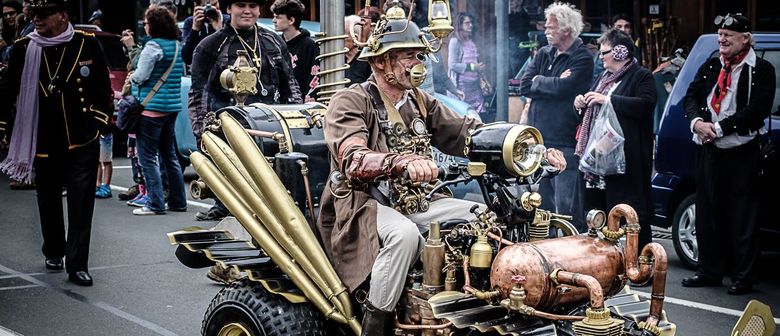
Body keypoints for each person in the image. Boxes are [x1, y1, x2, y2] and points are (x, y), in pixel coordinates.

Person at [316, 6, 566, 334]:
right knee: (403, 237)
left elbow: (469, 133)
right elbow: (353, 159)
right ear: (380, 62)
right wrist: (400, 162)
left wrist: (528, 150)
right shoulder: (350, 101)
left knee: (486, 218)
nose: (417, 64)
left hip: (420, 199)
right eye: (407, 56)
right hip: (366, 204)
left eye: (419, 56)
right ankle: (375, 324)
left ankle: (473, 302)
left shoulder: (419, 101)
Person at [0, 0, 113, 286]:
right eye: (34, 15)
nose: (36, 20)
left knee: (81, 202)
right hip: (43, 137)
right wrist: (4, 128)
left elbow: (102, 87)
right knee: (48, 198)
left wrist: (99, 122)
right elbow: (7, 90)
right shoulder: (25, 48)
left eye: (44, 15)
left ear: (63, 15)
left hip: (81, 138)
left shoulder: (87, 43)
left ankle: (77, 265)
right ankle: (53, 249)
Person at [680, 14, 776, 296]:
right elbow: (691, 97)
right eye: (720, 35)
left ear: (745, 38)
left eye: (728, 36)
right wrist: (697, 122)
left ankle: (743, 276)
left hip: (741, 151)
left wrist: (719, 128)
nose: (722, 40)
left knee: (742, 216)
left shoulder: (761, 70)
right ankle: (709, 270)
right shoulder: (713, 65)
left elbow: (757, 110)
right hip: (710, 150)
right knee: (708, 212)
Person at [189, 0, 302, 222]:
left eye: (253, 5)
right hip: (226, 130)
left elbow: (290, 85)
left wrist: (294, 121)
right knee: (232, 197)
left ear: (260, 10)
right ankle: (223, 207)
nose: (248, 11)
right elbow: (197, 93)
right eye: (241, 5)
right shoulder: (210, 45)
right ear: (228, 9)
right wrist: (202, 132)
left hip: (268, 129)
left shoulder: (273, 41)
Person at [574, 29, 657, 250]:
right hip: (599, 160)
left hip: (626, 160)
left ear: (621, 52)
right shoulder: (603, 78)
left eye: (605, 53)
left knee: (631, 213)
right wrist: (581, 104)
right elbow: (592, 115)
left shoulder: (641, 75)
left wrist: (608, 100)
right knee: (599, 212)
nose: (600, 57)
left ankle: (641, 262)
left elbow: (645, 105)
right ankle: (605, 261)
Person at [519, 2, 592, 231]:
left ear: (566, 30)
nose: (546, 32)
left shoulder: (583, 58)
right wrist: (549, 81)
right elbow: (523, 85)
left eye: (551, 28)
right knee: (541, 203)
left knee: (567, 207)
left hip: (565, 140)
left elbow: (567, 88)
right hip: (539, 139)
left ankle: (572, 252)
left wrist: (539, 82)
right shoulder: (543, 53)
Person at [129, 6, 187, 216]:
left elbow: (141, 75)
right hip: (170, 108)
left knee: (147, 157)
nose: (145, 26)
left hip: (151, 108)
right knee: (169, 155)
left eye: (146, 22)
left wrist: (133, 77)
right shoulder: (176, 45)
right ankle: (178, 201)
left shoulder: (153, 46)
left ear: (153, 25)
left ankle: (155, 202)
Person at [271, 0, 319, 101]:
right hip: (280, 102)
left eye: (278, 17)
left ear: (291, 20)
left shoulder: (309, 45)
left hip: (302, 102)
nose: (274, 20)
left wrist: (309, 98)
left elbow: (315, 74)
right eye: (274, 16)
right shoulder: (276, 43)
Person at [448, 12, 486, 116]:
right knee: (462, 115)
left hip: (474, 87)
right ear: (459, 25)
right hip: (461, 87)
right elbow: (452, 65)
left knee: (477, 115)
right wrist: (473, 67)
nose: (471, 25)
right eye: (467, 23)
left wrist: (479, 68)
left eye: (471, 23)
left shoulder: (471, 41)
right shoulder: (455, 42)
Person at [592, 13, 642, 82]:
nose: (623, 29)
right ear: (612, 29)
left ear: (631, 30)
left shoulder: (635, 49)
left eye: (627, 26)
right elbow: (597, 76)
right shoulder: (604, 52)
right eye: (619, 26)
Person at [181, 0, 228, 66]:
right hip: (200, 72)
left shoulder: (228, 21)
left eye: (214, 4)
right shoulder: (191, 22)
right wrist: (195, 30)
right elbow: (187, 58)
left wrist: (220, 30)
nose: (213, 9)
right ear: (197, 7)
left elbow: (231, 53)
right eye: (208, 7)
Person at [343, 14, 370, 85]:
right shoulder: (338, 60)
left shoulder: (367, 60)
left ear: (355, 38)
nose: (338, 41)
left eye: (343, 37)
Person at [95, 133, 113, 198]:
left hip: (104, 132)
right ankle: (98, 184)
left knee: (106, 160)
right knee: (97, 160)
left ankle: (106, 185)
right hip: (95, 133)